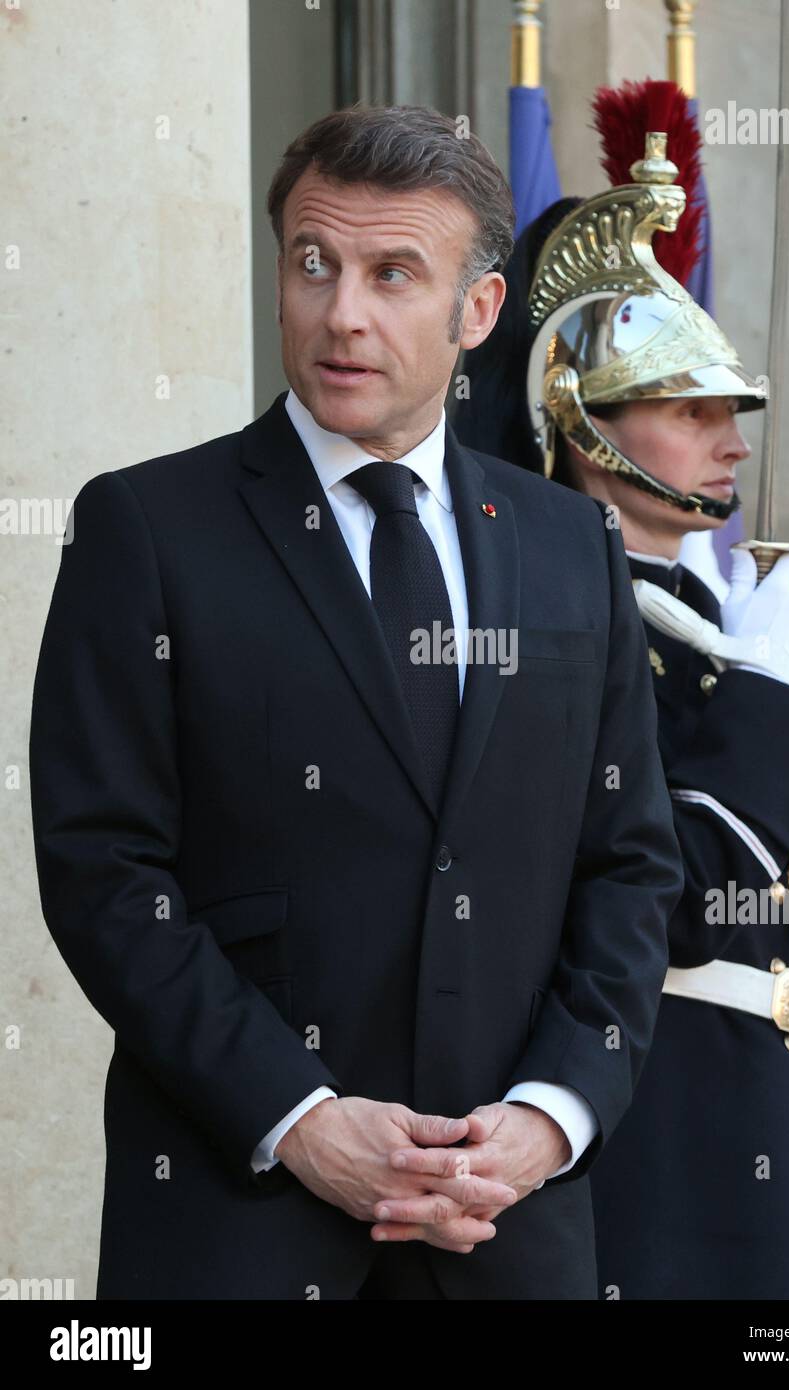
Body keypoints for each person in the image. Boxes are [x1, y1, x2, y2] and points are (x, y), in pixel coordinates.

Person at [28, 103, 684, 1301]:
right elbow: (105, 872)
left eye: (394, 274)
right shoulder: (146, 531)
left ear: (477, 312)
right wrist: (301, 1115)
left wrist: (549, 1115)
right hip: (243, 1227)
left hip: (510, 1233)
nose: (343, 313)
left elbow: (630, 861)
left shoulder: (569, 540)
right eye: (314, 265)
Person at [454, 126, 789, 1299]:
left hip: (786, 1160)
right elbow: (674, 892)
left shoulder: (712, 640)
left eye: (733, 406)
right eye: (685, 406)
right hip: (659, 1161)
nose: (731, 441)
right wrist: (766, 703)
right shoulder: (549, 638)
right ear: (578, 423)